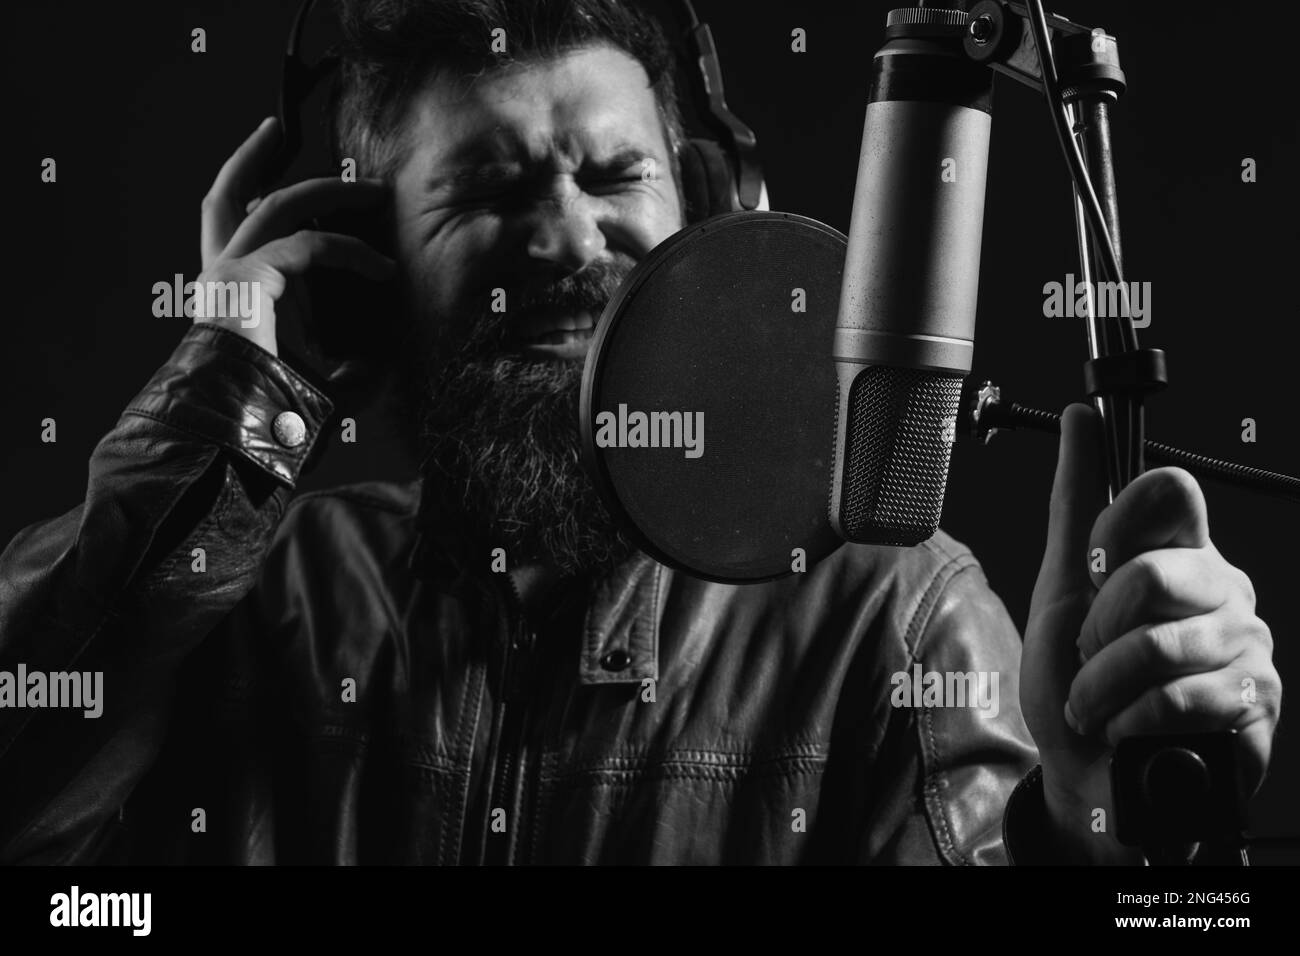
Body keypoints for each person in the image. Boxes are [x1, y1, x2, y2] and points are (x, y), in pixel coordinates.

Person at [0, 0, 1280, 865]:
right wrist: (223, 399)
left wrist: (1088, 823)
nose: (565, 241)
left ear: (716, 213)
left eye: (614, 178)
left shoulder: (897, 618)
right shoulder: (240, 601)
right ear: (364, 261)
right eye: (491, 191)